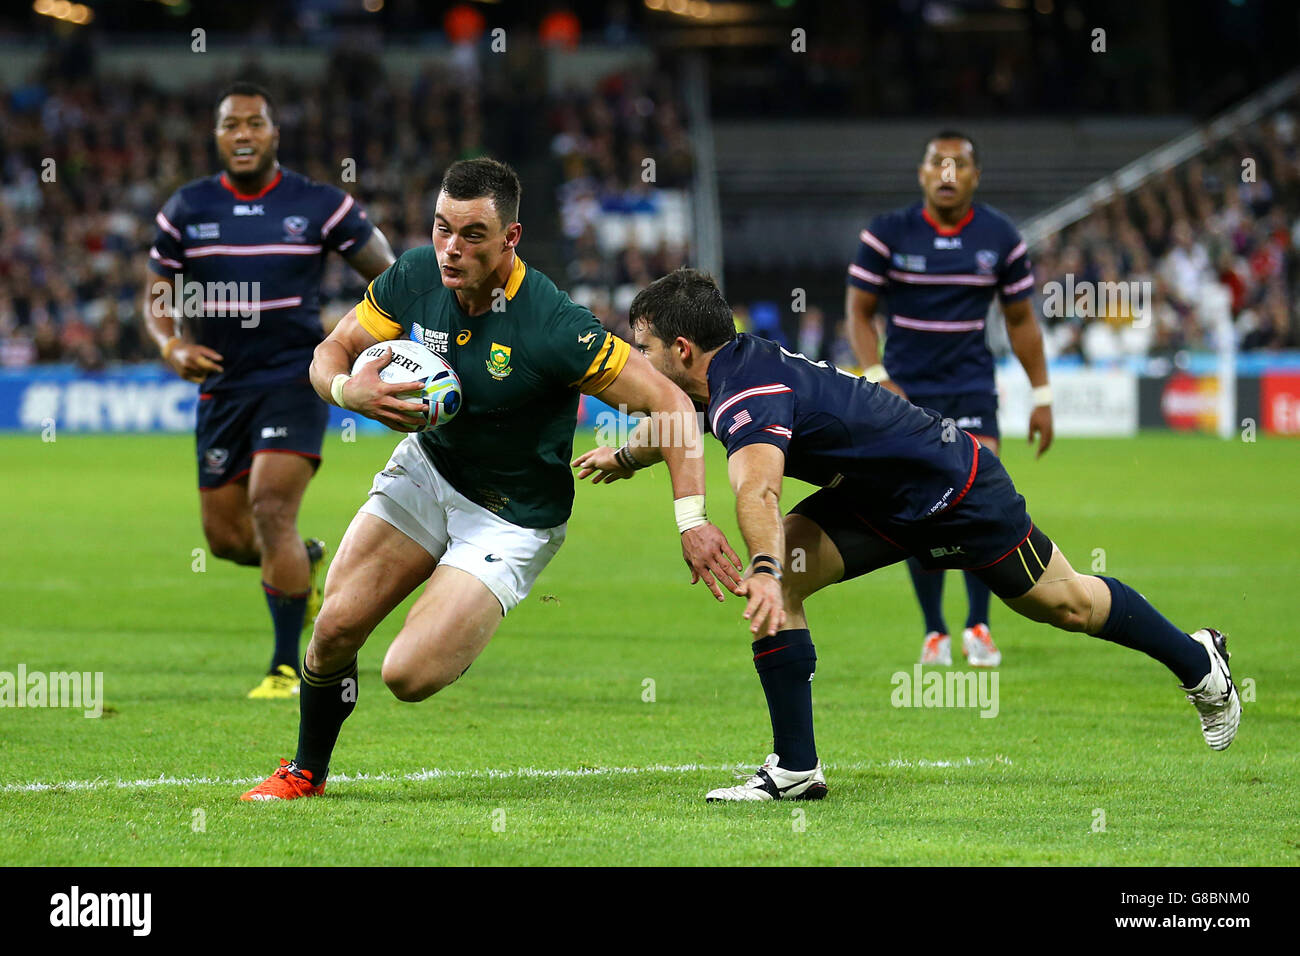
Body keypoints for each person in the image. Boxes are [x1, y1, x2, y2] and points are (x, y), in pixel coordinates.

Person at [576, 268, 1240, 802]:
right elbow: (677, 417)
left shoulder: (746, 395)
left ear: (682, 350)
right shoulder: (719, 372)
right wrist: (627, 457)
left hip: (956, 488)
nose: (636, 359)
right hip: (874, 500)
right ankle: (795, 769)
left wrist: (764, 565)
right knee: (786, 580)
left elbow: (758, 490)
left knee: (1066, 605)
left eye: (643, 347)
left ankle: (1198, 661)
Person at [240, 160, 741, 800]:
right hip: (430, 468)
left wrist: (692, 519)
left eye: (473, 234)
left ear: (511, 239)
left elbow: (672, 405)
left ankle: (466, 610)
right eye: (443, 228)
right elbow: (328, 354)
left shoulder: (553, 326)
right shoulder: (416, 275)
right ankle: (305, 771)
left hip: (512, 513)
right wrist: (348, 390)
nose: (451, 248)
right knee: (334, 629)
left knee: (407, 674)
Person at [144, 82, 397, 699]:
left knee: (270, 509)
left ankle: (288, 667)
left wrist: (363, 341)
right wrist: (169, 343)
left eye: (255, 123)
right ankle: (304, 561)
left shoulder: (318, 205)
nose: (244, 134)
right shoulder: (186, 209)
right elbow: (156, 293)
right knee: (228, 539)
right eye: (231, 124)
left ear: (274, 134)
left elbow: (388, 275)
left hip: (293, 378)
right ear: (217, 136)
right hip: (221, 386)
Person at [846, 131, 1053, 668]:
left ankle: (978, 625)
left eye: (958, 164)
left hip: (971, 388)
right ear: (920, 173)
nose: (946, 173)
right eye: (937, 163)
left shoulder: (1000, 236)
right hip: (907, 393)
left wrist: (1043, 394)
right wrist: (876, 374)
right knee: (923, 508)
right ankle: (935, 631)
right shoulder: (888, 234)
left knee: (982, 503)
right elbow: (859, 311)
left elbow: (1022, 320)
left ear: (974, 176)